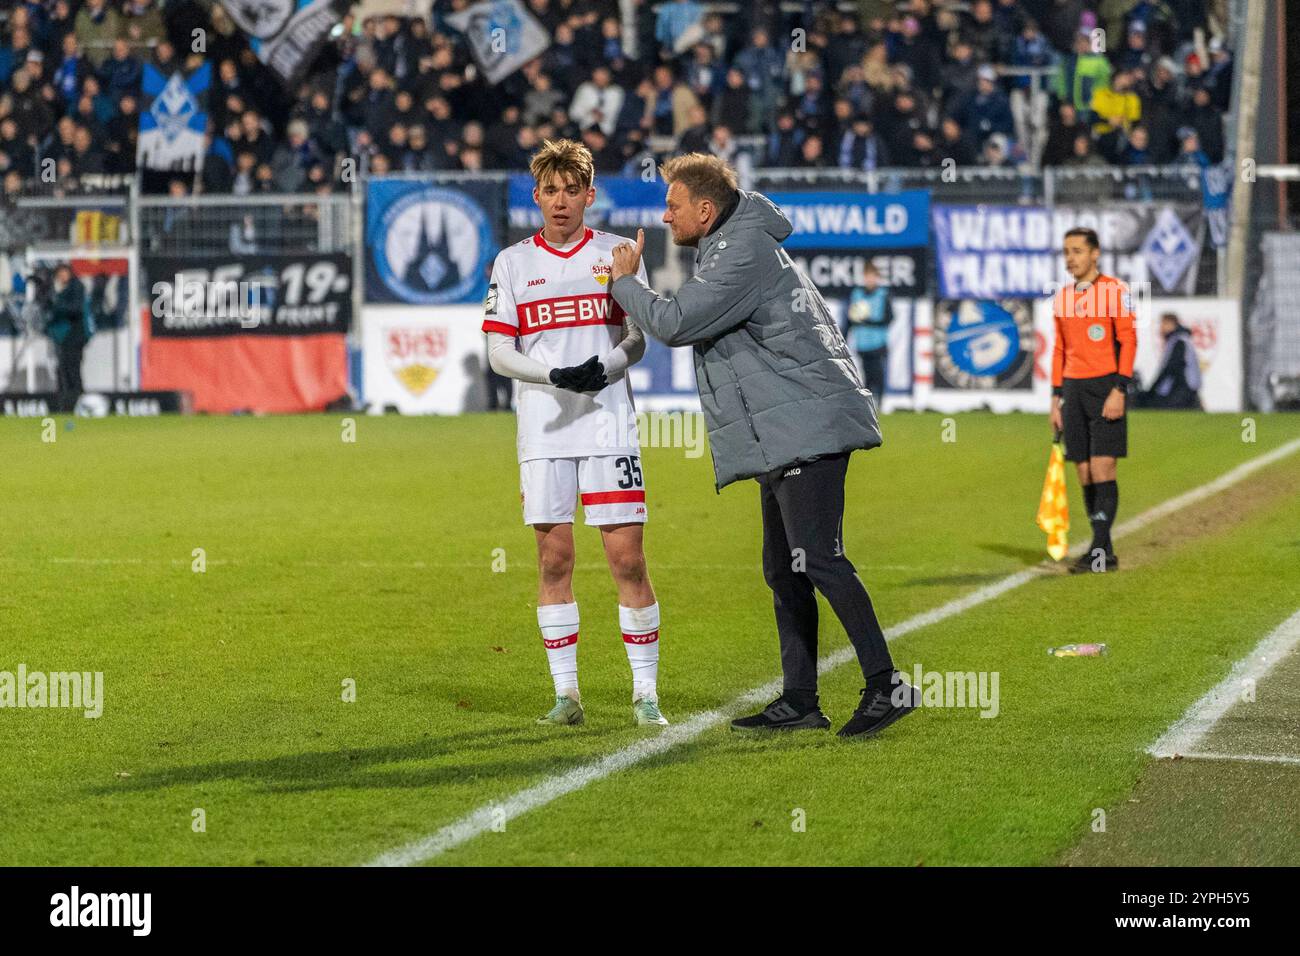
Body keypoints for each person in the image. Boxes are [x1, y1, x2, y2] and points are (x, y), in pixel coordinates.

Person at [609, 153, 917, 740]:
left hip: (807, 425)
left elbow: (675, 324)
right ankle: (801, 698)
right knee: (785, 568)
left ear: (705, 209)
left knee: (818, 559)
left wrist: (626, 282)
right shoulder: (730, 244)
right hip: (786, 429)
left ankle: (886, 683)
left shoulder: (741, 250)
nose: (665, 215)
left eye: (673, 206)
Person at [481, 139, 667, 728]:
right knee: (553, 560)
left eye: (571, 191)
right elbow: (497, 353)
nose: (560, 202)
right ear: (536, 197)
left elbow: (637, 337)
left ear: (590, 195)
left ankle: (645, 697)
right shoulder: (512, 263)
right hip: (543, 431)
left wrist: (603, 369)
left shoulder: (616, 252)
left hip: (608, 423)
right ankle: (567, 697)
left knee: (627, 560)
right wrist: (556, 373)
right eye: (550, 192)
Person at [1049, 227, 1138, 574]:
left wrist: (1120, 388)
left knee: (1103, 467)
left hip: (1105, 388)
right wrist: (1056, 399)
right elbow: (1059, 348)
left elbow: (1128, 340)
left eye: (1077, 251)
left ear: (1095, 254)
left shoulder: (1116, 291)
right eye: (1066, 251)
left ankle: (1098, 552)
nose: (1071, 258)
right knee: (1084, 471)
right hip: (1072, 388)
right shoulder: (1062, 298)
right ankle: (1105, 551)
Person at [845, 262, 891, 407]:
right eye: (867, 276)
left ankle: (881, 403)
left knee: (878, 373)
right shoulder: (856, 294)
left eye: (872, 276)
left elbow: (889, 318)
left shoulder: (883, 294)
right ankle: (870, 405)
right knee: (867, 374)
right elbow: (849, 319)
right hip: (862, 342)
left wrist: (869, 321)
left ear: (877, 277)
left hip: (878, 342)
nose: (869, 280)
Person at [1137, 312, 1202, 409]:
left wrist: (1152, 390)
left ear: (1170, 324)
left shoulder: (1178, 341)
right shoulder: (1180, 339)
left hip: (1183, 388)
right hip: (1186, 388)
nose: (1161, 328)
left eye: (1163, 324)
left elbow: (1171, 368)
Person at [47, 264, 87, 394]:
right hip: (65, 336)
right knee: (63, 368)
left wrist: (58, 306)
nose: (61, 276)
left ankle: (76, 397)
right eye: (59, 274)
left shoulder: (76, 287)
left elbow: (76, 308)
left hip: (74, 335)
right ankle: (66, 397)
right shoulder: (61, 289)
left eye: (63, 273)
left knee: (72, 367)